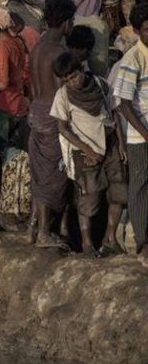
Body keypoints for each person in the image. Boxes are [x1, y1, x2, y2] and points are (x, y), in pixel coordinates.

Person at [51, 52, 126, 257]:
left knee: (118, 193)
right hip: (85, 152)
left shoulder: (100, 85)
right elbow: (63, 128)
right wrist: (87, 149)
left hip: (109, 145)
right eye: (66, 80)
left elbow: (114, 113)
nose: (71, 83)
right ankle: (86, 244)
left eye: (73, 76)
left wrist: (121, 143)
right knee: (88, 198)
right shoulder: (63, 96)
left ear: (81, 70)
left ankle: (109, 238)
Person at [28, 0, 76, 249]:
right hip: (51, 115)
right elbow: (63, 93)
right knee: (53, 176)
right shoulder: (59, 52)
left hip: (35, 110)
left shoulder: (37, 47)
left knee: (40, 172)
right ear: (67, 23)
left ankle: (36, 228)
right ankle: (46, 231)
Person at [114, 4, 148, 265]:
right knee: (139, 188)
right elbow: (124, 104)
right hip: (140, 136)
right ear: (137, 30)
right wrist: (145, 134)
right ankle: (142, 243)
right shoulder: (133, 58)